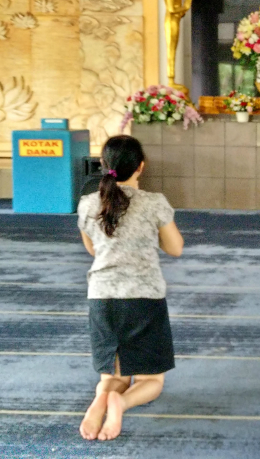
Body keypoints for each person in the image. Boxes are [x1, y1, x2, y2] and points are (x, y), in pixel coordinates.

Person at [76, 135, 184, 441]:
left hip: (102, 298)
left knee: (114, 376)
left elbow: (93, 250)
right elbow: (175, 248)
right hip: (143, 299)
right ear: (141, 167)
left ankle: (102, 398)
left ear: (103, 165)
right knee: (151, 381)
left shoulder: (88, 204)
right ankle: (119, 403)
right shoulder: (153, 203)